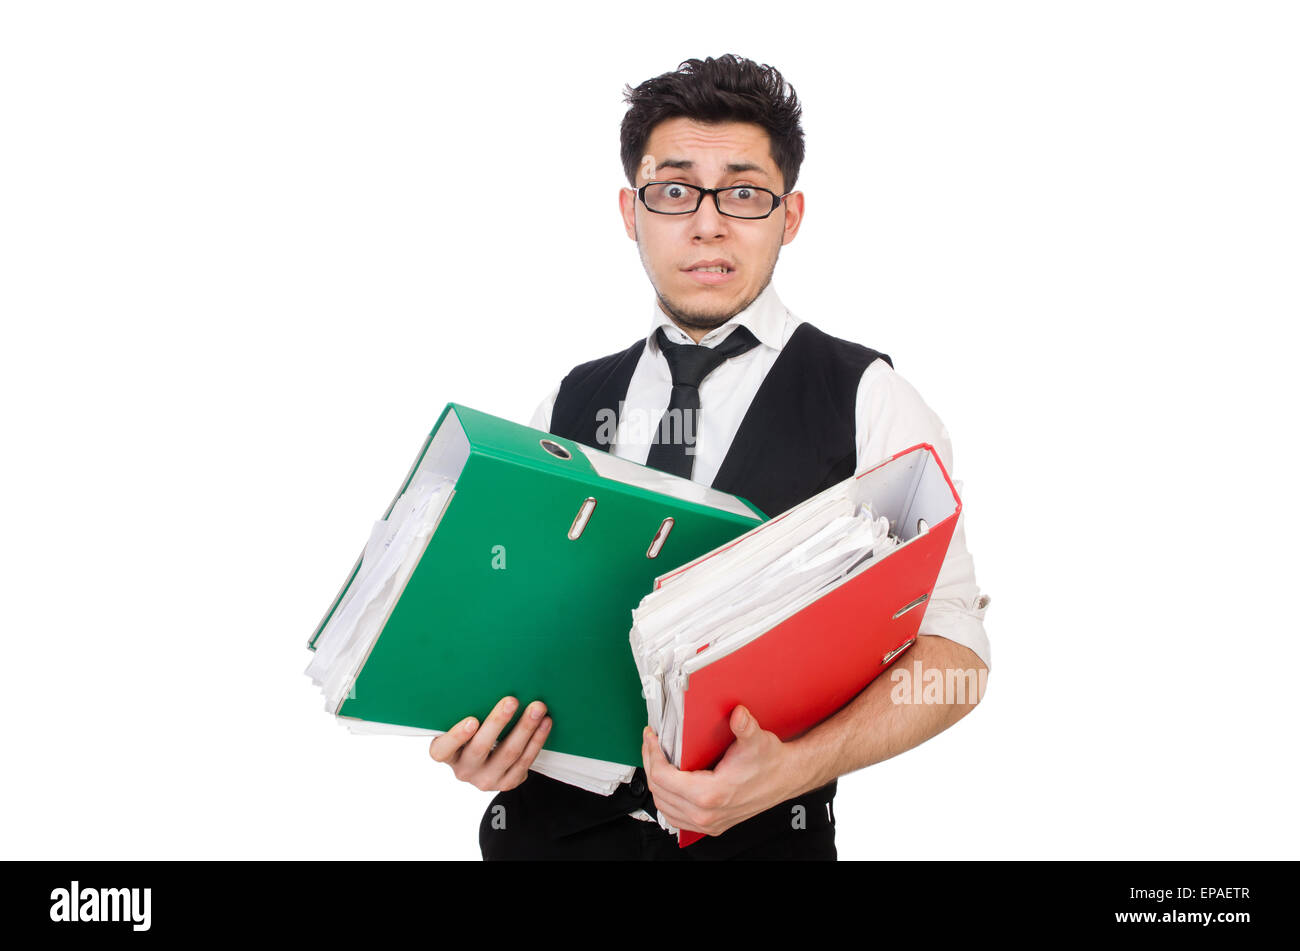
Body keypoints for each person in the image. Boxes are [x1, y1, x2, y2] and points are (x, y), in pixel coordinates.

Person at [428, 53, 992, 860]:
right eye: (673, 190)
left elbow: (959, 656)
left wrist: (794, 768)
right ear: (631, 210)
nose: (707, 222)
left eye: (743, 192)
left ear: (789, 214)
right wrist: (491, 739)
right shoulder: (566, 402)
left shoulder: (868, 397)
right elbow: (507, 629)